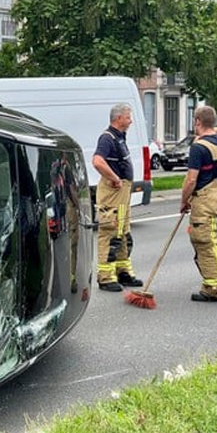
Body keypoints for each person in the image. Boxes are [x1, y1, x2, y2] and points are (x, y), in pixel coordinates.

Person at [179, 105, 217, 302]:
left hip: (204, 199)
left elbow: (191, 179)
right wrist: (213, 128)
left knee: (204, 242)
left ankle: (214, 288)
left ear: (197, 122)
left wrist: (183, 201)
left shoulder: (199, 147)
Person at [92, 103, 142, 292]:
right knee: (110, 233)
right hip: (113, 194)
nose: (130, 121)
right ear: (119, 118)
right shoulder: (108, 138)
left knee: (123, 233)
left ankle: (123, 273)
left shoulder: (119, 137)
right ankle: (105, 278)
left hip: (122, 194)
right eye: (128, 117)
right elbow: (97, 161)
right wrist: (114, 178)